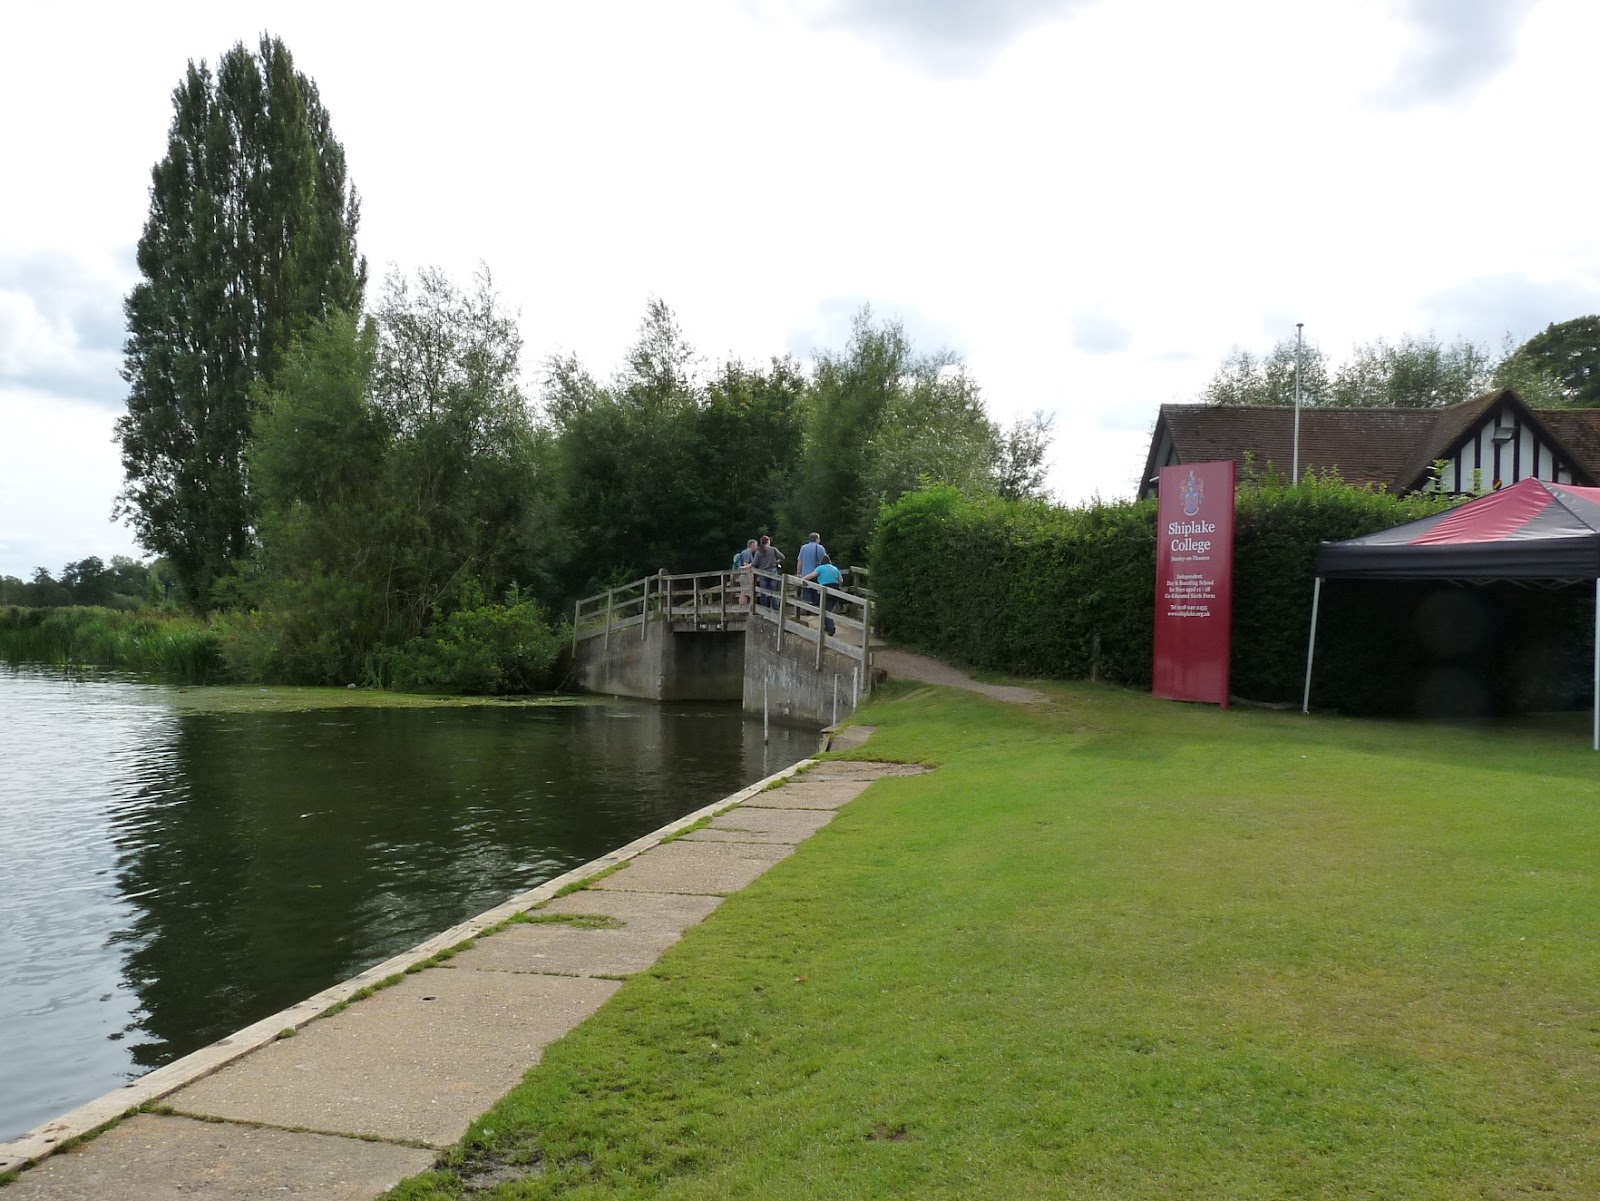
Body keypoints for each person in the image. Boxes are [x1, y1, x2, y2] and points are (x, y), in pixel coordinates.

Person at [801, 553, 844, 633]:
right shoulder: (835, 568)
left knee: (826, 610)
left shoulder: (820, 568)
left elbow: (811, 576)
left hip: (826, 590)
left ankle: (831, 628)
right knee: (827, 609)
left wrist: (802, 579)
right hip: (836, 590)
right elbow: (841, 580)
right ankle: (827, 627)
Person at [796, 532, 827, 608]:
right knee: (815, 592)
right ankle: (815, 609)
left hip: (805, 574)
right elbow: (825, 561)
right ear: (817, 539)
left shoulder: (803, 547)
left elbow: (800, 561)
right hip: (816, 573)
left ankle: (807, 608)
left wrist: (798, 573)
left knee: (806, 592)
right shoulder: (820, 548)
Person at [752, 535, 783, 608]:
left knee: (763, 590)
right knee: (773, 590)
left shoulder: (759, 551)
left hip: (762, 572)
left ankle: (764, 607)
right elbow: (782, 557)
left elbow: (754, 563)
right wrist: (777, 562)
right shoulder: (773, 549)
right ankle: (775, 607)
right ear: (768, 541)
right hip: (773, 571)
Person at [734, 538, 757, 604]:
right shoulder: (747, 553)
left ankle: (742, 609)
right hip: (745, 576)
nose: (756, 547)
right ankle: (743, 609)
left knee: (743, 592)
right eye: (756, 545)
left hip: (743, 575)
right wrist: (750, 579)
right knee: (745, 593)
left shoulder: (745, 552)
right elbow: (746, 565)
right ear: (752, 545)